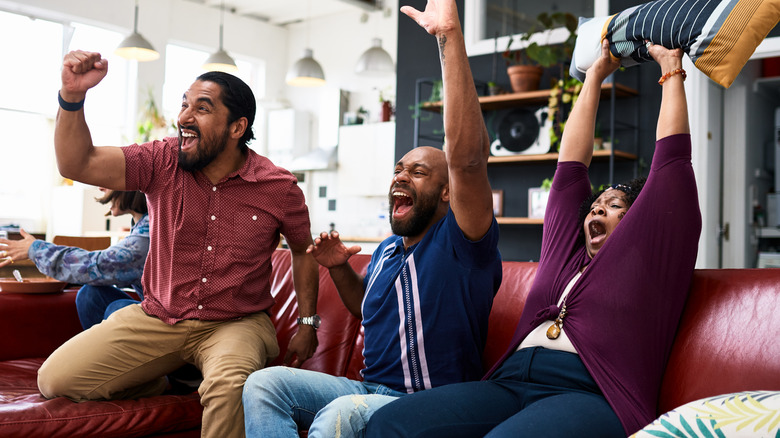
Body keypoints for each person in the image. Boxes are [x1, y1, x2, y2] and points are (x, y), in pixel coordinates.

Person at [366, 22, 702, 438]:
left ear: (639, 222)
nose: (597, 209)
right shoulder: (566, 251)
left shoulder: (652, 255)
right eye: (595, 205)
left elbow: (671, 161)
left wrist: (671, 68)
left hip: (592, 393)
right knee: (389, 422)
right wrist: (595, 74)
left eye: (614, 207)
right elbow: (570, 169)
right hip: (510, 383)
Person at [241, 1, 502, 437]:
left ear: (446, 192)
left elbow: (469, 160)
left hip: (429, 404)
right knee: (264, 385)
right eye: (398, 168)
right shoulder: (386, 250)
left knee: (337, 417)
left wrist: (449, 38)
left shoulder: (463, 243)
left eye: (417, 172)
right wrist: (340, 267)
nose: (401, 176)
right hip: (368, 387)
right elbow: (365, 310)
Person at [36, 51, 320, 438]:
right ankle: (157, 379)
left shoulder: (279, 187)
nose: (184, 117)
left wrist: (307, 323)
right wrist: (72, 96)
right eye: (184, 105)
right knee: (55, 379)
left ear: (237, 127)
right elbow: (77, 163)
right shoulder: (161, 159)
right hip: (158, 316)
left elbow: (303, 251)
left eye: (201, 108)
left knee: (229, 389)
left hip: (235, 324)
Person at [0, 189, 150, 329]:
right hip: (154, 313)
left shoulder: (147, 235)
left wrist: (35, 250)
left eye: (109, 178)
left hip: (170, 324)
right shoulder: (143, 226)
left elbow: (96, 265)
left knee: (118, 310)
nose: (100, 187)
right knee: (90, 294)